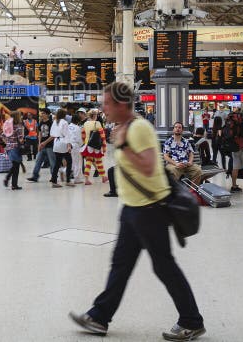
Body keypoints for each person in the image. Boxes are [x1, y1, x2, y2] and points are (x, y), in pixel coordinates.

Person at [69, 82, 205, 341]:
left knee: (164, 266)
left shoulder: (139, 128)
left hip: (149, 210)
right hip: (133, 209)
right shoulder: (124, 127)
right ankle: (99, 317)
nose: (102, 108)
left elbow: (147, 166)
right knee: (121, 265)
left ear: (121, 105)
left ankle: (191, 320)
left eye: (106, 103)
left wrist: (123, 146)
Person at [28, 108, 55, 182]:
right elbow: (39, 133)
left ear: (47, 114)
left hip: (50, 146)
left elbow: (53, 136)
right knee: (38, 161)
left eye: (43, 113)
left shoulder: (51, 123)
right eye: (41, 113)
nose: (41, 114)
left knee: (52, 162)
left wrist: (44, 143)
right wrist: (39, 143)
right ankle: (35, 176)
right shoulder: (41, 122)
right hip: (42, 146)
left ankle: (54, 176)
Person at [82, 109, 108, 185]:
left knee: (88, 162)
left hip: (88, 145)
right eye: (96, 115)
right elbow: (102, 136)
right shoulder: (98, 123)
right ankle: (103, 177)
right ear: (94, 115)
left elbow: (83, 134)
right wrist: (104, 146)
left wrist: (85, 142)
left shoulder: (85, 123)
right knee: (99, 161)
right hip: (96, 145)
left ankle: (86, 179)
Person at [1, 111, 25, 190]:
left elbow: (2, 135)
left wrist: (8, 142)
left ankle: (14, 184)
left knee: (15, 166)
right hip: (15, 148)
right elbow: (20, 139)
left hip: (8, 148)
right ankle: (8, 179)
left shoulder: (8, 126)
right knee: (15, 167)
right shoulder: (18, 127)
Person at [50, 109, 73, 188]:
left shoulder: (54, 122)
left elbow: (52, 134)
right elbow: (67, 134)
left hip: (56, 142)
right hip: (63, 142)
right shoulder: (65, 122)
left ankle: (54, 181)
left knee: (57, 163)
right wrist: (69, 145)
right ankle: (68, 181)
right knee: (69, 161)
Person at [69, 110, 85, 184]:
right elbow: (79, 139)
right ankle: (77, 179)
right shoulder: (77, 128)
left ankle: (66, 172)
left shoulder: (68, 126)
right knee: (77, 162)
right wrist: (82, 144)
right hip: (75, 146)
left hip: (68, 145)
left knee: (71, 161)